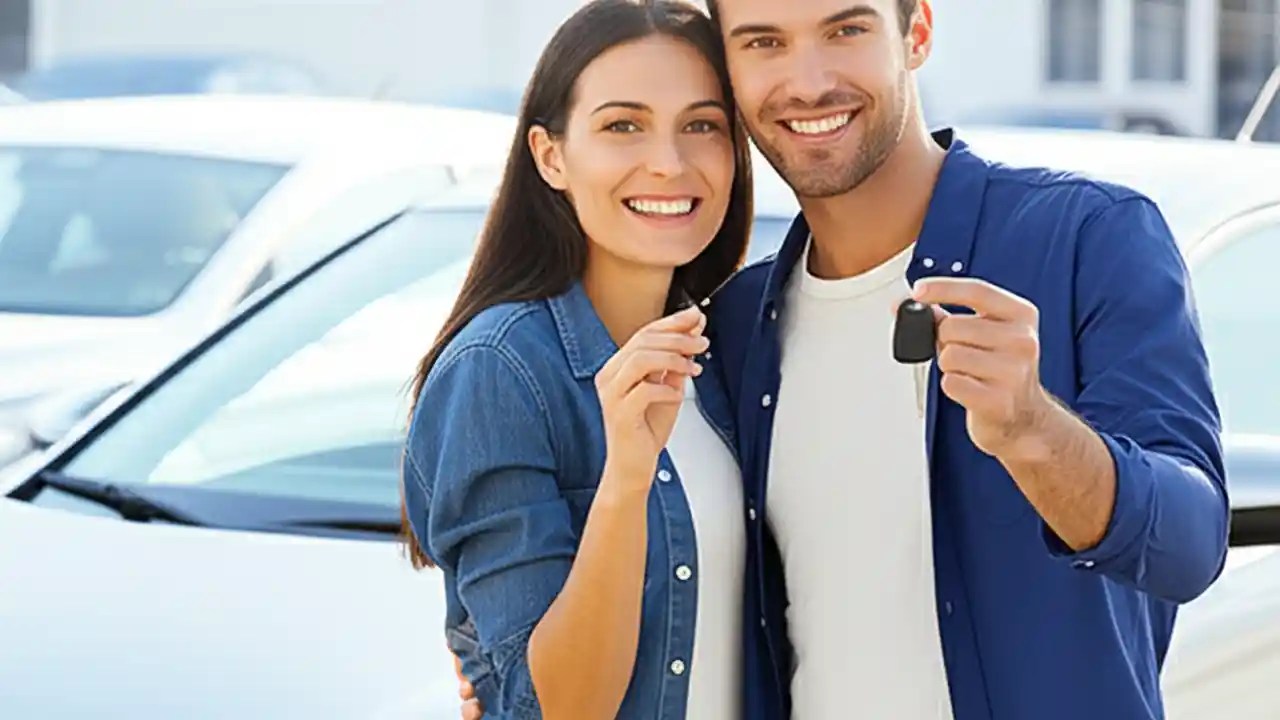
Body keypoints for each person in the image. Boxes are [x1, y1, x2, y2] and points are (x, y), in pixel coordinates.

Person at [456, 0, 1229, 718]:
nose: (809, 81)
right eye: (764, 43)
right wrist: (494, 676)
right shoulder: (732, 327)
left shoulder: (1090, 240)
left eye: (846, 29)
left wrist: (1034, 432)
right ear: (730, 76)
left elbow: (1192, 544)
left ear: (916, 31)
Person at [400, 1, 755, 718]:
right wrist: (626, 473)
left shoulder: (740, 352)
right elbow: (552, 708)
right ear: (550, 155)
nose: (668, 162)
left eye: (702, 125)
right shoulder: (500, 372)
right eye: (623, 125)